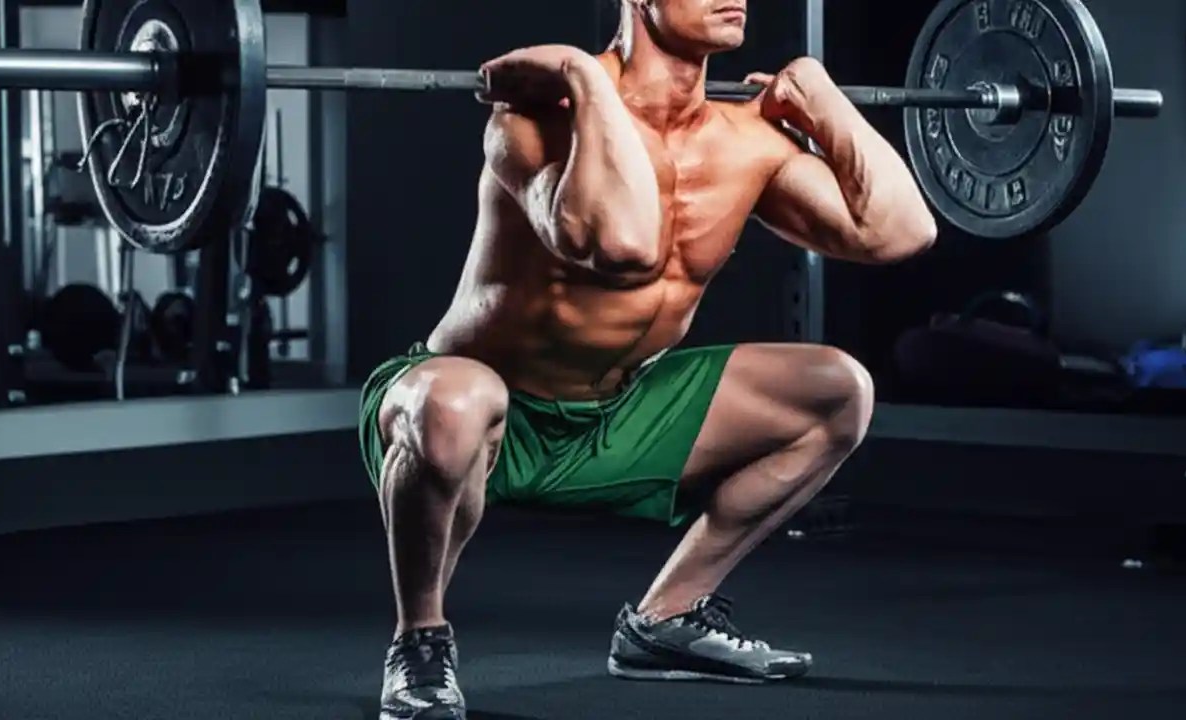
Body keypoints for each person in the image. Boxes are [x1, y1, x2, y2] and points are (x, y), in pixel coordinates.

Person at [358, 1, 937, 717]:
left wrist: (825, 100)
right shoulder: (535, 119)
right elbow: (621, 248)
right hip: (483, 412)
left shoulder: (745, 140)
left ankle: (666, 621)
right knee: (452, 401)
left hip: (619, 409)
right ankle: (419, 642)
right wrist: (584, 76)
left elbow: (901, 233)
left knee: (840, 391)